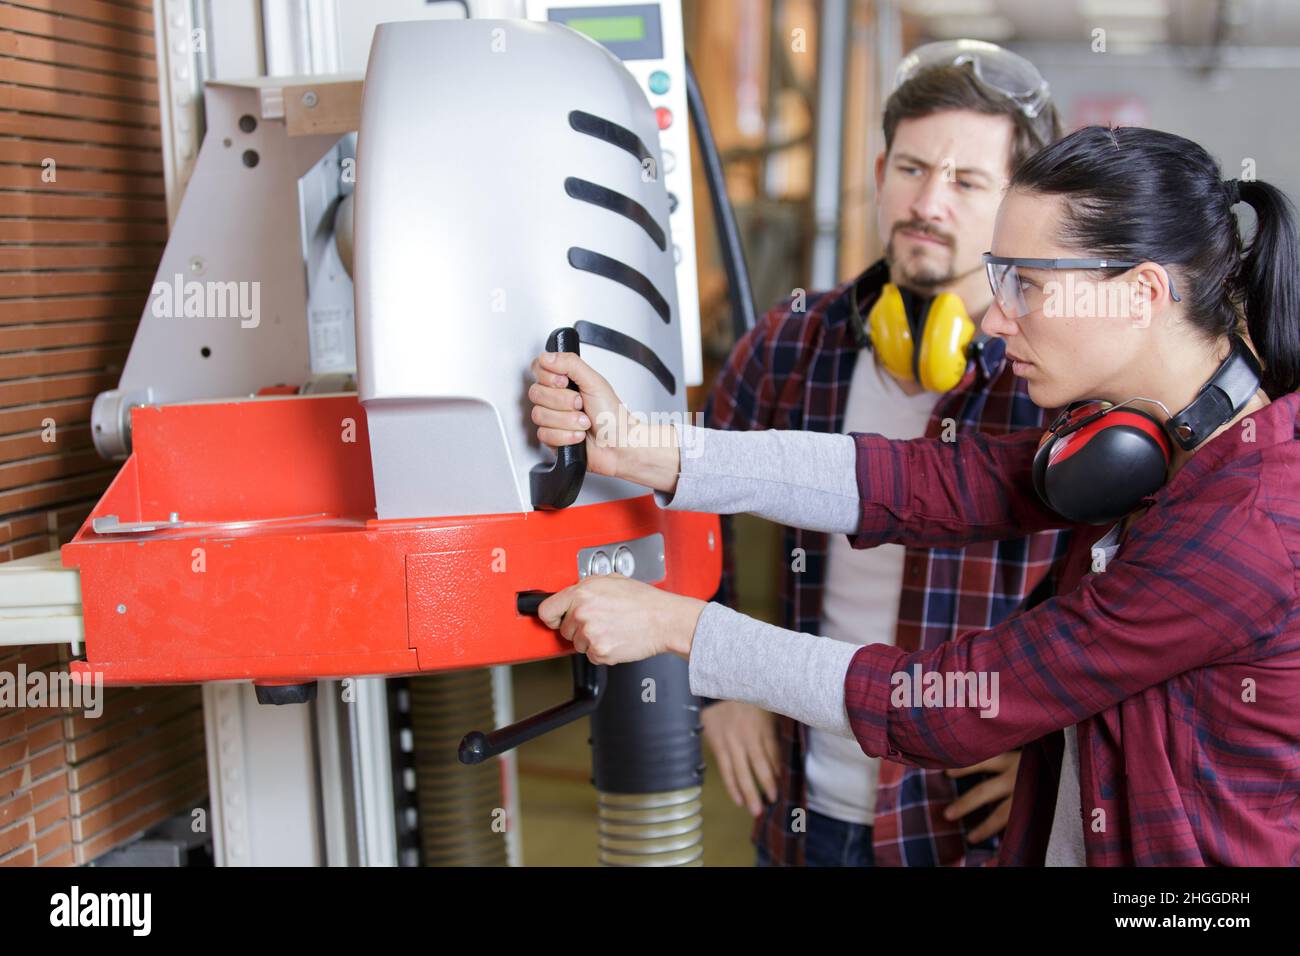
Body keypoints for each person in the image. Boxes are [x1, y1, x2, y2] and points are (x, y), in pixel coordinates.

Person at [526, 124, 1300, 866]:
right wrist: (641, 444)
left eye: (1026, 285)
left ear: (1139, 293)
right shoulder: (1159, 437)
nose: (997, 321)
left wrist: (678, 625)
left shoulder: (1247, 525)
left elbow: (948, 704)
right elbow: (924, 481)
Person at [699, 39, 1065, 866]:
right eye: (910, 168)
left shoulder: (1061, 380)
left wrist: (1058, 747)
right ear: (877, 171)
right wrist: (716, 679)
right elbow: (685, 504)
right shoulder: (791, 347)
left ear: (1018, 205)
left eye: (968, 181)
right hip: (806, 816)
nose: (928, 202)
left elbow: (1131, 596)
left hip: (966, 834)